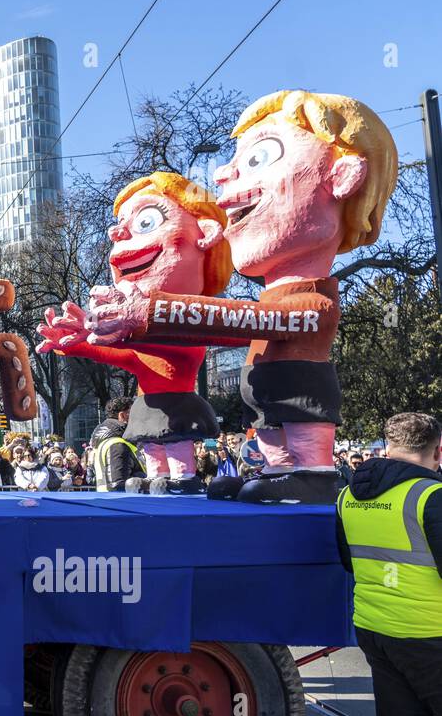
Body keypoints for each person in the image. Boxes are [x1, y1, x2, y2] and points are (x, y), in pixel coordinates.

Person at [88, 91, 397, 504]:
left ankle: (312, 474)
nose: (222, 175)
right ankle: (278, 470)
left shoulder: (314, 303)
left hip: (302, 388)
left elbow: (250, 321)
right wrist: (116, 330)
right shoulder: (273, 299)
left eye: (258, 158)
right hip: (266, 393)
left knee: (299, 420)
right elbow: (211, 330)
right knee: (272, 424)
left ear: (341, 176)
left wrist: (151, 311)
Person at [38, 172, 231, 496]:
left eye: (146, 221)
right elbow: (131, 357)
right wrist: (82, 344)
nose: (118, 232)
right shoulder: (138, 327)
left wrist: (120, 328)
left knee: (175, 443)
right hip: (149, 403)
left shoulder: (192, 320)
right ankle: (158, 476)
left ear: (206, 234)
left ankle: (183, 479)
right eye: (120, 226)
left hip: (176, 401)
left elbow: (153, 353)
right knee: (154, 448)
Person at [336, 412, 442, 716]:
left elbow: (348, 563)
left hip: (376, 630)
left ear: (389, 447)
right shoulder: (431, 496)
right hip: (430, 633)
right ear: (437, 452)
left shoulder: (348, 496)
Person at [89, 397, 145, 493]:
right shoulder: (117, 445)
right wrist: (147, 481)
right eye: (133, 413)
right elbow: (117, 485)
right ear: (122, 415)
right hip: (124, 504)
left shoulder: (109, 441)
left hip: (112, 502)